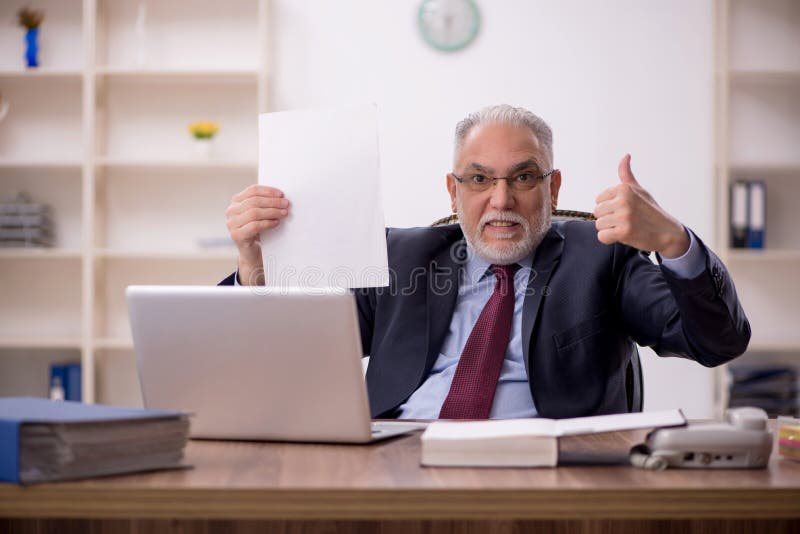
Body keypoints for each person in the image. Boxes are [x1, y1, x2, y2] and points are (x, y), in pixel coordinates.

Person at [221, 105, 750, 420]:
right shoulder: (399, 258)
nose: (501, 200)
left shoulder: (602, 256)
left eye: (522, 177)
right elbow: (289, 356)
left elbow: (719, 341)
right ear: (453, 192)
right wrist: (255, 268)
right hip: (400, 467)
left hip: (552, 478)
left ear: (553, 186)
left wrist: (674, 243)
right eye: (479, 179)